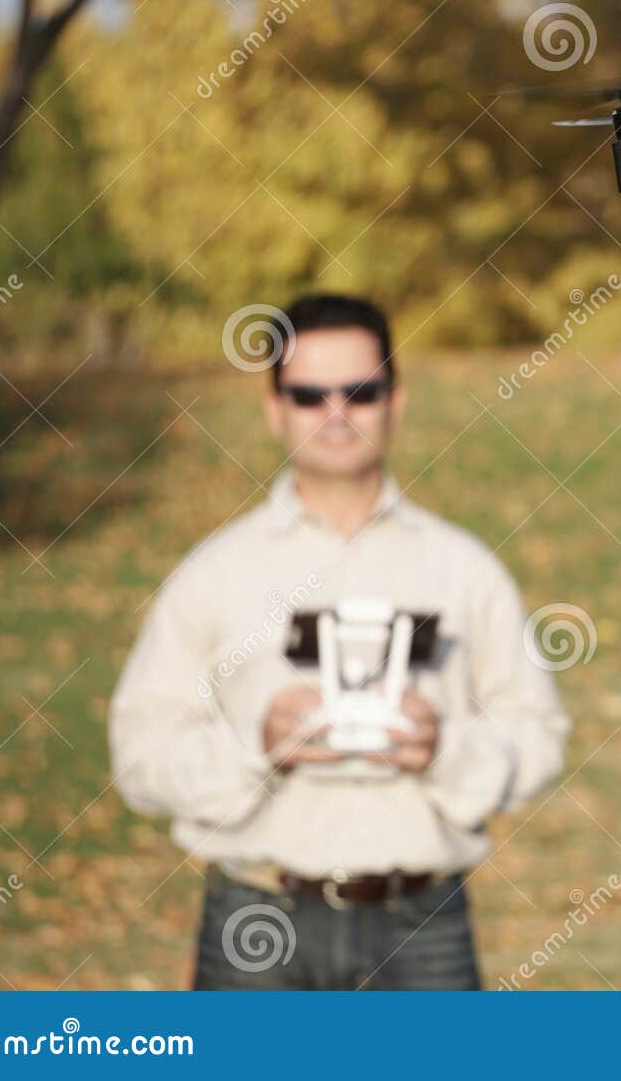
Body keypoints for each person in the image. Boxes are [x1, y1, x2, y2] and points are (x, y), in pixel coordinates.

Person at [108, 294, 569, 989]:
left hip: (423, 929)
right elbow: (140, 752)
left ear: (395, 402)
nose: (335, 413)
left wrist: (445, 750)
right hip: (254, 923)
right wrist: (254, 746)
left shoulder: (463, 570)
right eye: (308, 395)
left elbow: (539, 734)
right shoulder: (214, 573)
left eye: (360, 391)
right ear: (274, 409)